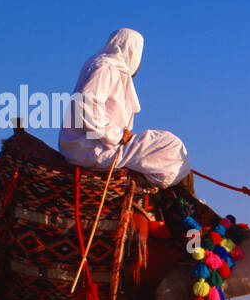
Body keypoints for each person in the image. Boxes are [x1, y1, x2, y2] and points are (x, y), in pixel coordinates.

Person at [59, 27, 193, 192]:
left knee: (167, 146)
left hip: (101, 143)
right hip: (91, 148)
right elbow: (86, 105)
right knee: (171, 146)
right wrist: (117, 135)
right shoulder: (105, 68)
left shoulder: (106, 67)